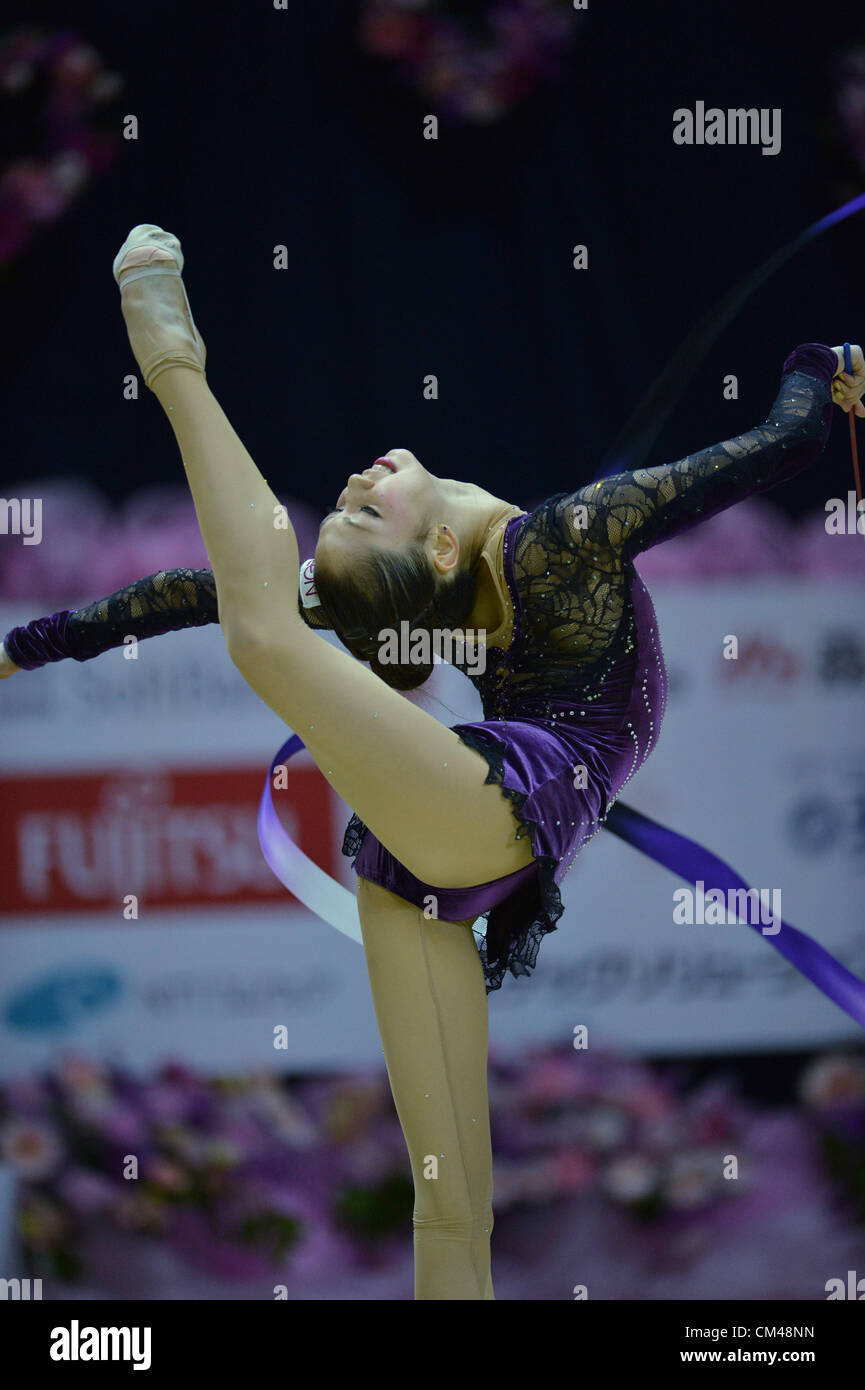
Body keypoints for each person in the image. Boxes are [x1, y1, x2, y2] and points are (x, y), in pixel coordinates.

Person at [2, 224, 864, 1300]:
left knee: (452, 1206)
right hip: (480, 808)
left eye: (356, 505)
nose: (357, 479)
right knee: (264, 633)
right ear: (439, 553)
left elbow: (783, 450)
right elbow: (780, 447)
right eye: (362, 506)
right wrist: (816, 367)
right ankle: (169, 350)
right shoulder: (565, 536)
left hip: (436, 857)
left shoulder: (487, 564)